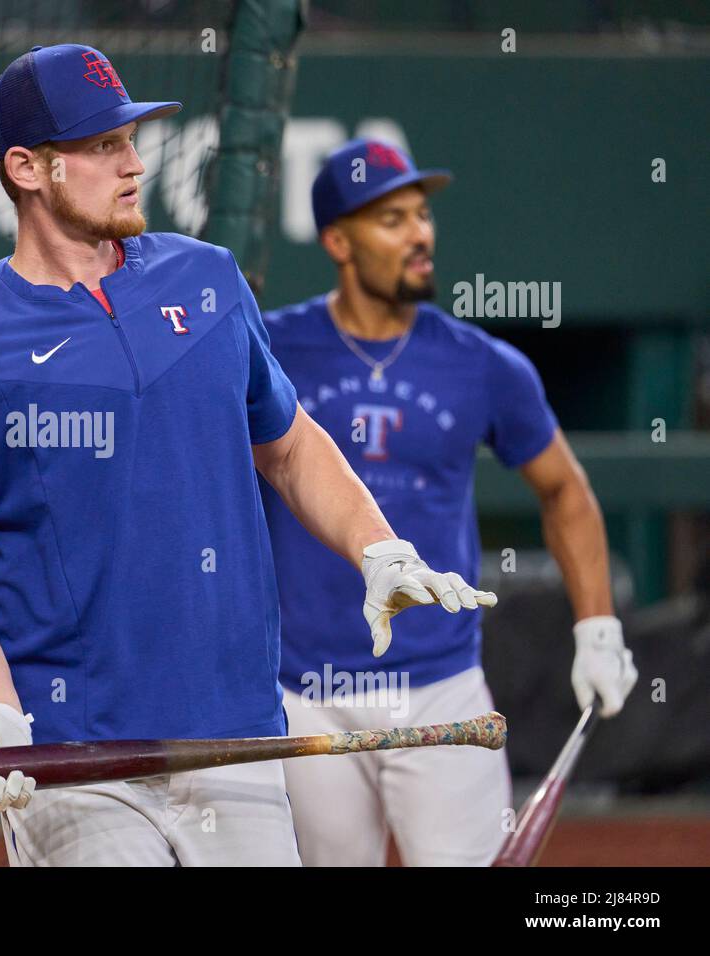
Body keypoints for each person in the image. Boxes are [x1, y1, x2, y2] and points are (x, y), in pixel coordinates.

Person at [0, 47, 492, 866]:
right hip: (75, 759)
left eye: (131, 138)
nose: (134, 163)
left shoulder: (208, 280)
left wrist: (377, 547)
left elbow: (290, 448)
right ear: (28, 168)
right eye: (102, 146)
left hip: (237, 742)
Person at [259, 139, 639, 866]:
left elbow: (564, 488)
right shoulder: (272, 350)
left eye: (423, 216)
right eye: (392, 219)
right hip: (302, 694)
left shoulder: (483, 364)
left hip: (442, 692)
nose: (421, 235)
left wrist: (597, 627)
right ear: (338, 240)